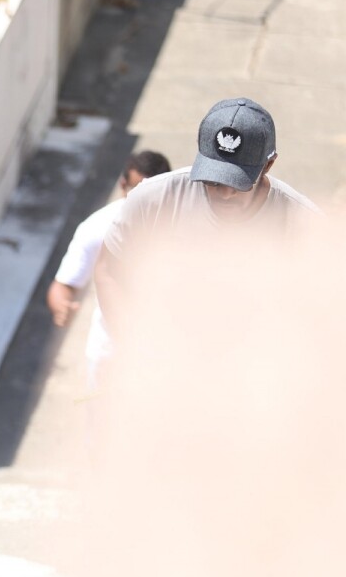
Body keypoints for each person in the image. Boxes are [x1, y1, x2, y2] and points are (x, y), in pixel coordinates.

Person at [95, 98, 320, 338]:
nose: (224, 194)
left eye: (237, 183)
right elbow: (108, 271)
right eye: (213, 179)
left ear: (268, 165)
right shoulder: (154, 199)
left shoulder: (305, 225)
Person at [46, 150, 171, 386]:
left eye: (153, 196)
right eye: (137, 193)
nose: (145, 204)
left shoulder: (185, 222)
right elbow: (62, 286)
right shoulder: (96, 228)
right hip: (109, 355)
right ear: (123, 185)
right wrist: (61, 306)